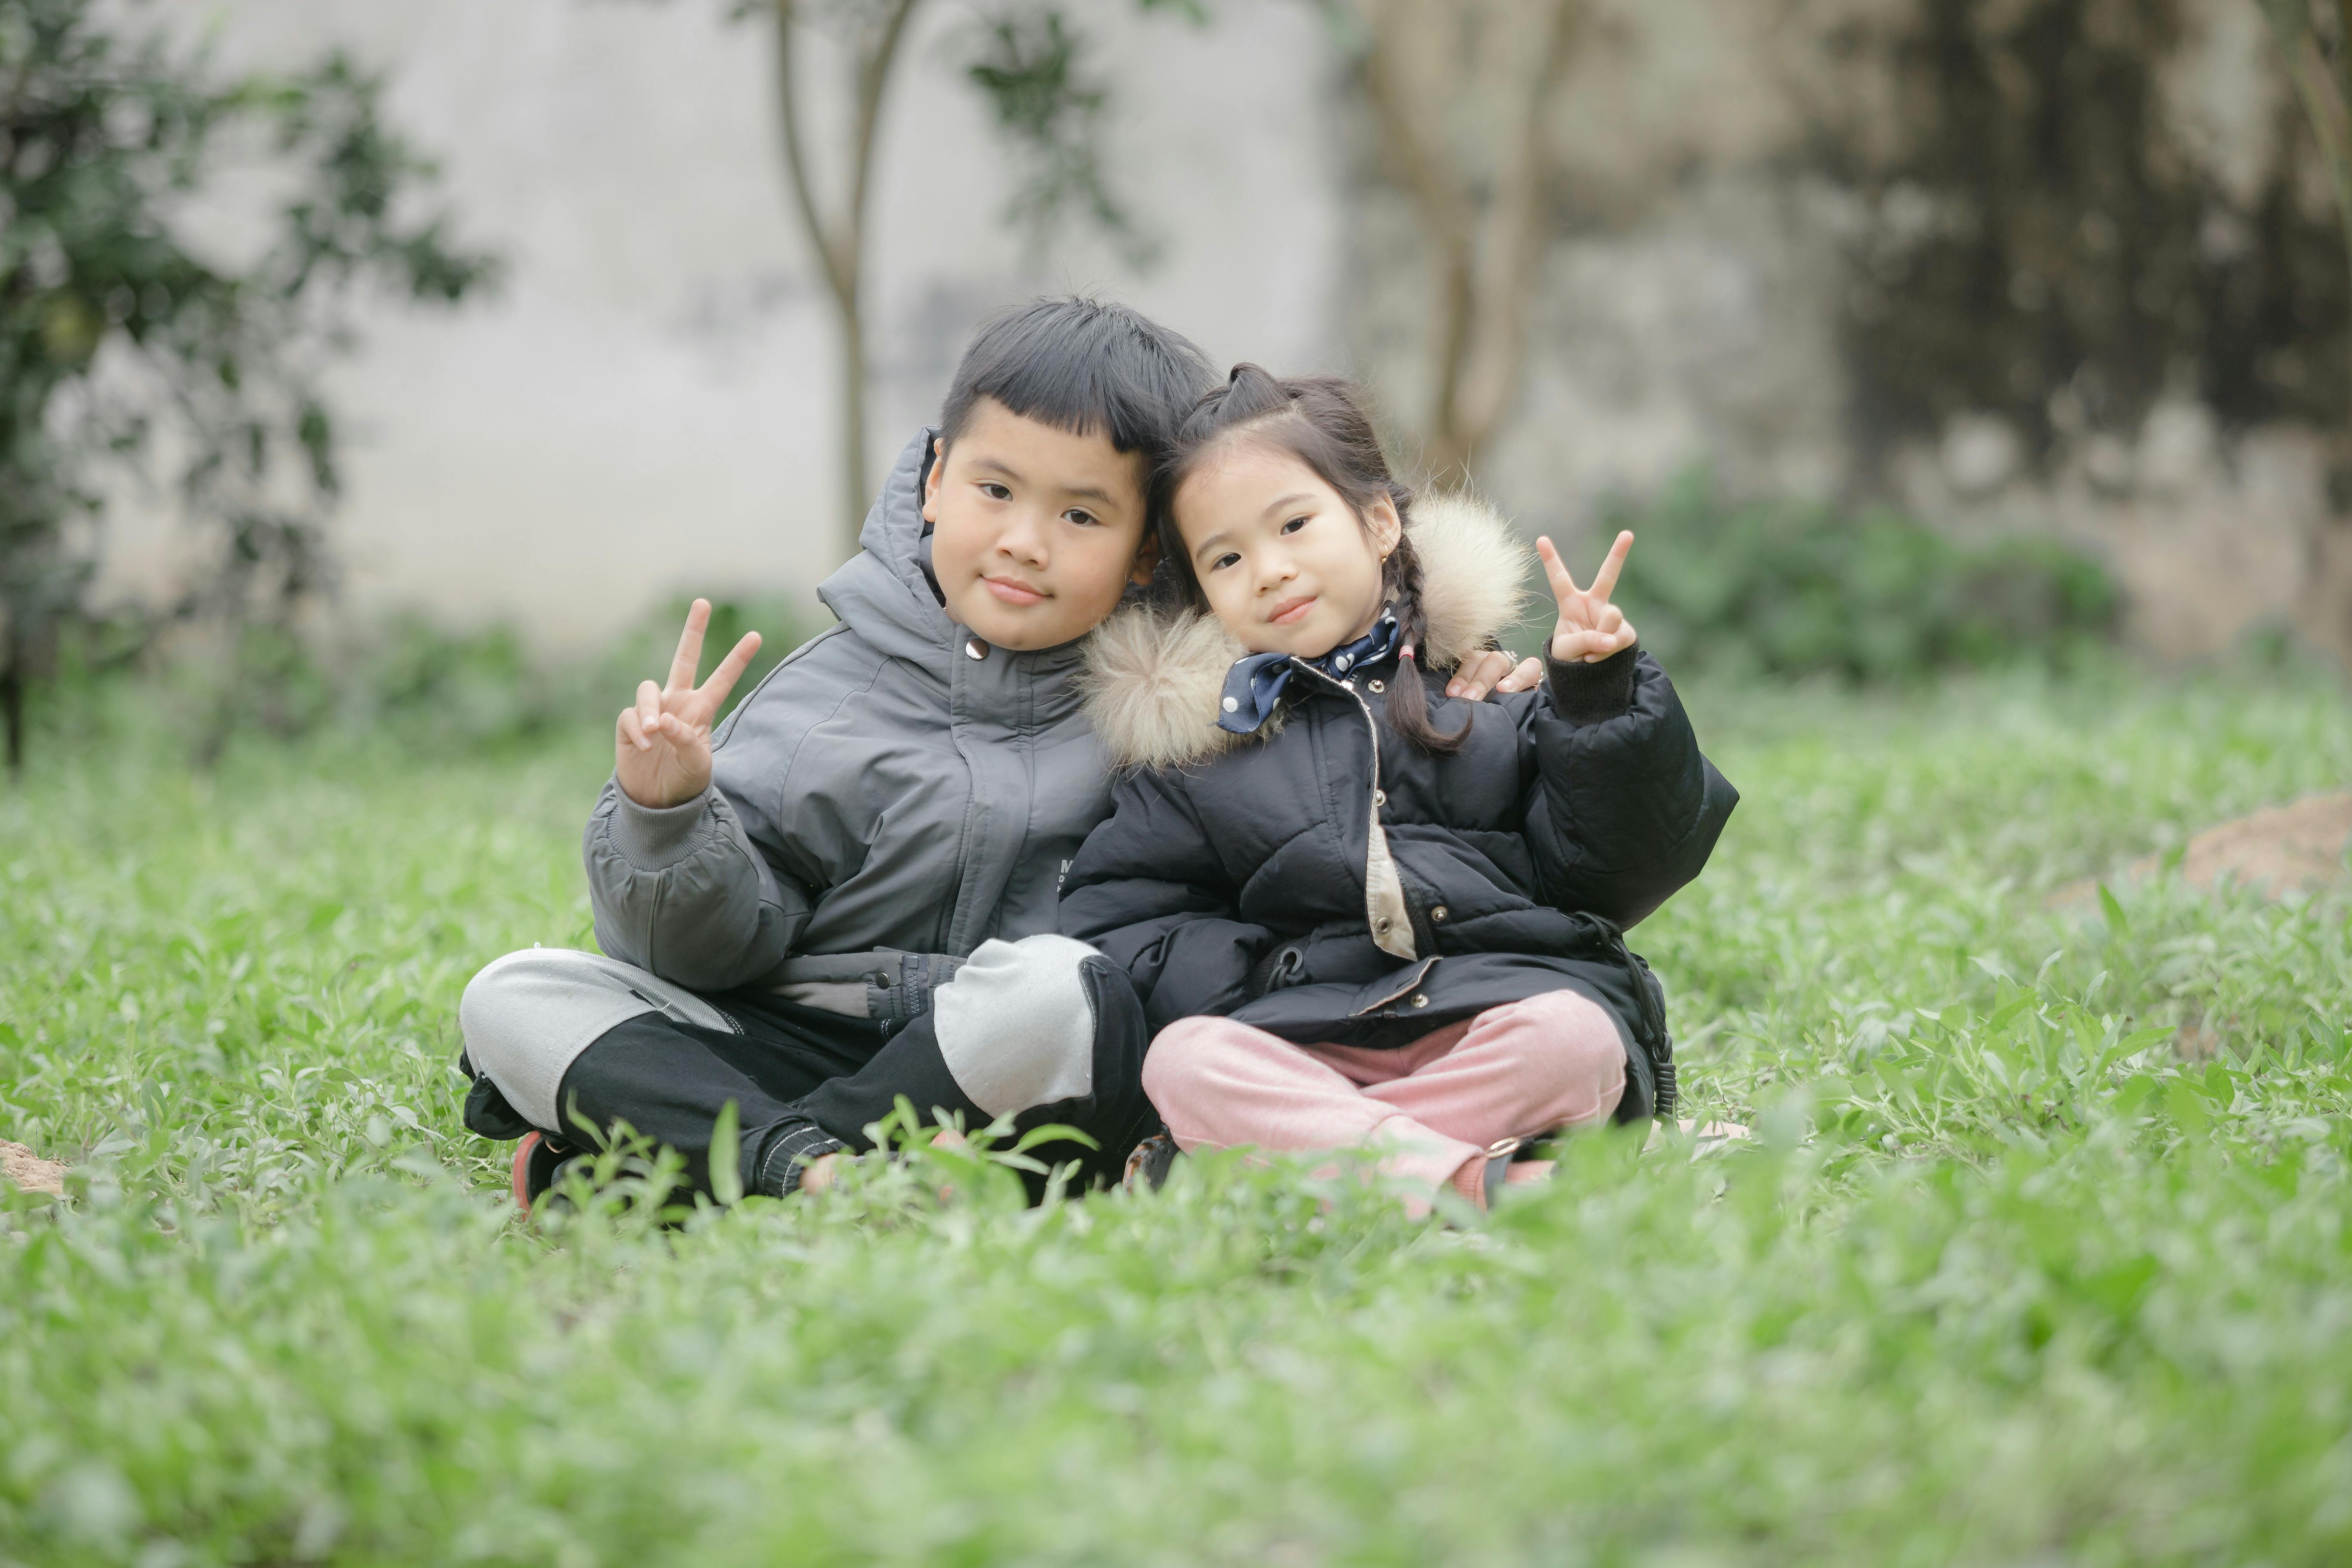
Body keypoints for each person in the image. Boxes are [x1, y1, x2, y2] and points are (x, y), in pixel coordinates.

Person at [456, 302, 1542, 1208]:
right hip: (791, 1032)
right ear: (934, 481)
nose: (1025, 539)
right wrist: (668, 817)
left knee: (1056, 981)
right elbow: (702, 956)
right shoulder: (827, 693)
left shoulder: (1195, 699)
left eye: (1080, 513)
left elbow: (1343, 692)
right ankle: (814, 1174)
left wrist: (1451, 669)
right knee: (517, 993)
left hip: (1008, 1069)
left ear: (1144, 554)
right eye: (994, 491)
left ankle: (697, 1163)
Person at [1059, 366, 1739, 1213]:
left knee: (1575, 1037)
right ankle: (1479, 1187)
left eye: (1295, 525)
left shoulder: (1491, 694)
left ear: (1380, 523)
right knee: (1185, 1062)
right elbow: (1124, 923)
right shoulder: (1198, 750)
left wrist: (1595, 702)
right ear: (1200, 595)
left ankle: (1317, 1169)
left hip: (1488, 1016)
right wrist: (1280, 971)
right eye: (1226, 558)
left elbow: (1620, 868)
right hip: (1306, 1043)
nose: (1269, 570)